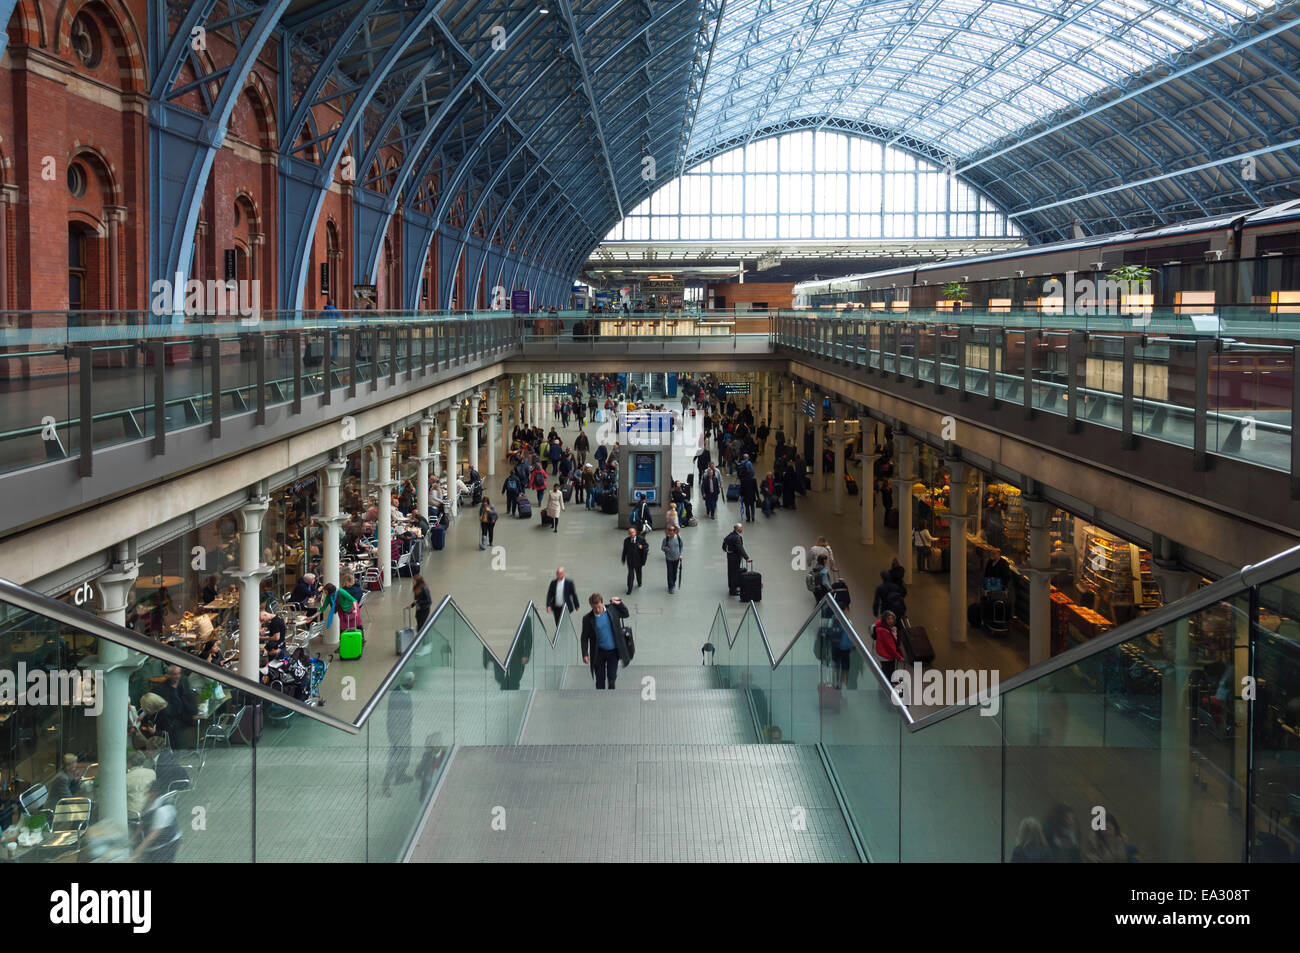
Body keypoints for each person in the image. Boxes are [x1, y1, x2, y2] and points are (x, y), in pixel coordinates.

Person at [580, 593, 632, 690]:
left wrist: (619, 602)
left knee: (612, 677)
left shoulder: (612, 610)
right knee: (600, 679)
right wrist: (585, 654)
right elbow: (584, 637)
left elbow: (626, 614)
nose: (597, 610)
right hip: (599, 652)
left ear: (602, 603)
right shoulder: (587, 619)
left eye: (599, 607)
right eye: (594, 608)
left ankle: (611, 693)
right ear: (591, 606)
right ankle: (600, 699)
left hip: (613, 652)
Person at [130, 783, 181, 862]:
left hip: (167, 844)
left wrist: (136, 853)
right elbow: (143, 822)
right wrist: (133, 838)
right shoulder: (150, 803)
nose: (147, 794)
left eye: (148, 792)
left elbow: (152, 837)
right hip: (155, 844)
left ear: (154, 794)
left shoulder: (162, 811)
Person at [154, 665, 199, 749]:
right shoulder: (162, 688)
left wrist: (194, 712)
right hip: (171, 719)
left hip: (184, 715)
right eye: (174, 674)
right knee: (176, 742)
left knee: (182, 740)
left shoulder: (183, 681)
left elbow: (190, 696)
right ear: (169, 675)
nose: (177, 676)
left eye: (179, 674)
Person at [722, 523, 750, 596]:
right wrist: (747, 558)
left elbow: (724, 545)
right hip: (735, 557)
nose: (742, 529)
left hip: (730, 556)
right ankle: (733, 590)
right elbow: (740, 548)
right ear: (738, 529)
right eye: (741, 528)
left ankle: (731, 587)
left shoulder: (730, 535)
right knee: (734, 573)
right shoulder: (736, 538)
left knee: (731, 573)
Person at [124, 751, 156, 816]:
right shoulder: (152, 773)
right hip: (149, 809)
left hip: (132, 812)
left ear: (129, 763)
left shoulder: (126, 777)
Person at [621, 526, 649, 594]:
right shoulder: (626, 541)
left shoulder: (641, 539)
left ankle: (639, 582)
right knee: (630, 574)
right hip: (630, 560)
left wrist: (642, 547)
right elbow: (624, 550)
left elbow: (646, 546)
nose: (631, 534)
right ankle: (629, 588)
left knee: (638, 572)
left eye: (633, 532)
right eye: (630, 533)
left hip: (638, 560)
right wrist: (623, 559)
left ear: (635, 532)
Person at [661, 525, 683, 594]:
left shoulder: (678, 538)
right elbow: (662, 547)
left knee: (674, 572)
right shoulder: (666, 539)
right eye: (669, 531)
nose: (671, 533)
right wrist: (665, 549)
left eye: (672, 531)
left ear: (675, 532)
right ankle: (671, 587)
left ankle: (673, 582)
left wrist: (681, 555)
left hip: (676, 558)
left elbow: (681, 546)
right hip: (669, 558)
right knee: (670, 572)